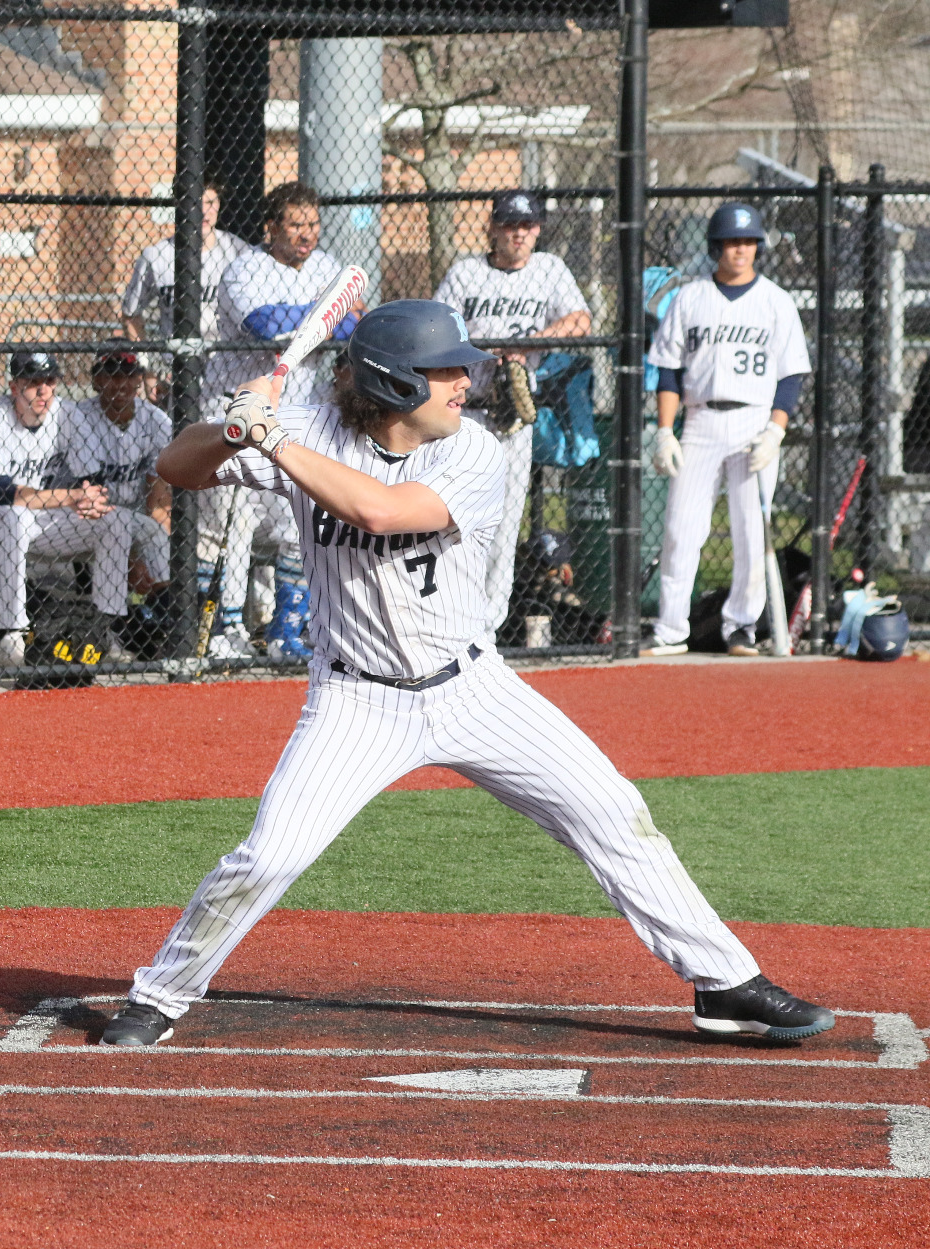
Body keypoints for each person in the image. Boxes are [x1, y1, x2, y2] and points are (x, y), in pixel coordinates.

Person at [100, 299, 833, 1049]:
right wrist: (232, 427)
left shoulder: (470, 450)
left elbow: (381, 510)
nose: (465, 380)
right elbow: (175, 466)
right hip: (357, 700)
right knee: (271, 853)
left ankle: (725, 981)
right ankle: (160, 993)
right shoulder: (314, 427)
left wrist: (272, 436)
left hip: (473, 689)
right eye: (444, 369)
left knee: (615, 812)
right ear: (391, 385)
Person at [202, 182, 364, 659]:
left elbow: (360, 319)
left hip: (301, 416)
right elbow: (266, 326)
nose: (306, 234)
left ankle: (286, 630)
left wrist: (329, 316)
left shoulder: (327, 266)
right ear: (270, 227)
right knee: (234, 530)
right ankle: (225, 629)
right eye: (295, 224)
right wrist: (328, 313)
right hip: (239, 407)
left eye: (312, 224)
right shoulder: (243, 269)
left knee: (299, 526)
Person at [642, 201, 811, 657]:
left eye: (749, 241)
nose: (741, 249)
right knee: (681, 528)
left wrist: (776, 430)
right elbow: (670, 372)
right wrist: (664, 430)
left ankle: (741, 627)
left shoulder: (776, 300)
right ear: (716, 246)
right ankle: (670, 628)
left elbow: (791, 375)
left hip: (754, 422)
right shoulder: (690, 298)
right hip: (700, 421)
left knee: (751, 531)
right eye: (733, 241)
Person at [433, 189, 593, 629]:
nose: (519, 233)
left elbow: (582, 320)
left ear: (538, 228)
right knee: (453, 513)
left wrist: (529, 344)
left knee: (505, 520)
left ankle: (488, 625)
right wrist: (488, 351)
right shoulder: (467, 272)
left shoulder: (549, 269)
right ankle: (450, 613)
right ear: (493, 229)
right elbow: (438, 327)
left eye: (527, 225)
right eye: (509, 225)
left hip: (514, 417)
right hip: (463, 411)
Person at [0, 350, 125, 669]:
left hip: (42, 516)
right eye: (33, 382)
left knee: (114, 521)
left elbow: (93, 477)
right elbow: (0, 492)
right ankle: (12, 633)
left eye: (49, 381)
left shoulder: (66, 413)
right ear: (13, 387)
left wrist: (91, 498)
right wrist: (74, 497)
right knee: (15, 516)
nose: (43, 390)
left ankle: (107, 632)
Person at [56, 346, 175, 661]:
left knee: (155, 536)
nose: (120, 383)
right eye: (110, 375)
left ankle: (163, 625)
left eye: (128, 375)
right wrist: (133, 559)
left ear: (139, 380)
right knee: (121, 533)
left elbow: (159, 493)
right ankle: (111, 633)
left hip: (128, 514)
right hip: (77, 514)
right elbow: (83, 493)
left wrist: (151, 557)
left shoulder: (156, 421)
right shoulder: (78, 418)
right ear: (95, 380)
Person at [120, 178, 252, 411]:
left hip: (228, 373)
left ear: (220, 204)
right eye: (195, 203)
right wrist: (149, 370)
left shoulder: (237, 251)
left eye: (211, 202)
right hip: (176, 375)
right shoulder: (156, 256)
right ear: (178, 205)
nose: (204, 211)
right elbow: (131, 314)